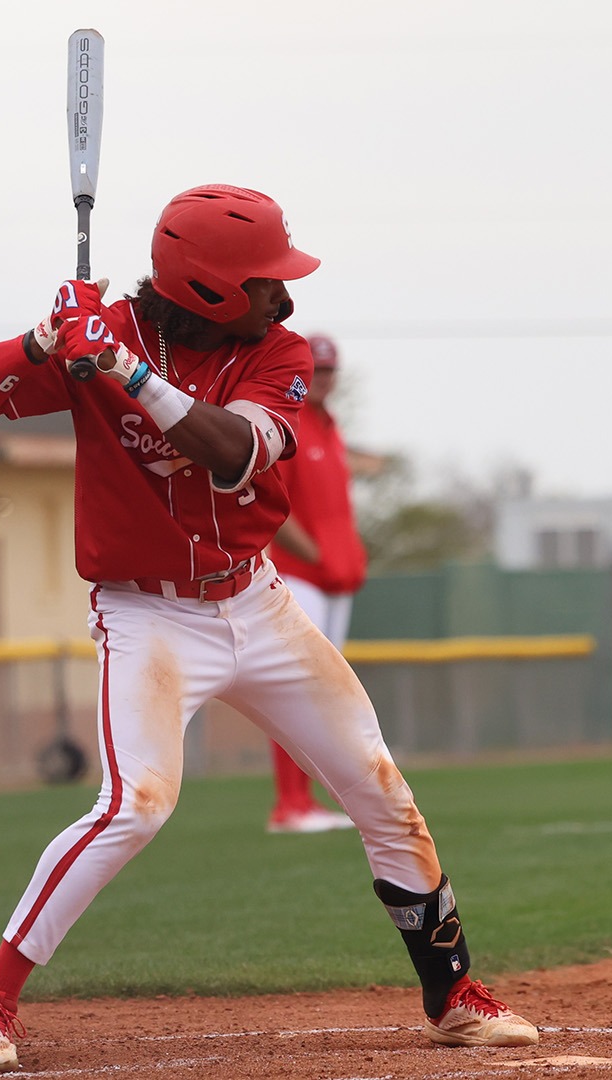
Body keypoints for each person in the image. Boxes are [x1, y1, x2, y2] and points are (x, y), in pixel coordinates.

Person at [0, 184, 538, 1074]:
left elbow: (234, 451)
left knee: (379, 788)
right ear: (209, 291)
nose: (283, 298)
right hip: (148, 615)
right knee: (135, 805)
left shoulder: (277, 353)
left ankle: (452, 997)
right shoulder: (100, 343)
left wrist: (127, 373)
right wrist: (48, 342)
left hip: (257, 600)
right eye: (263, 282)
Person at [264, 333, 366, 834]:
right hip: (301, 575)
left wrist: (346, 559)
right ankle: (290, 804)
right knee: (297, 689)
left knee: (324, 693)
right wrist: (318, 556)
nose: (322, 380)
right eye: (315, 371)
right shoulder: (290, 423)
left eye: (328, 372)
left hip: (336, 579)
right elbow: (271, 506)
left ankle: (310, 798)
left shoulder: (331, 426)